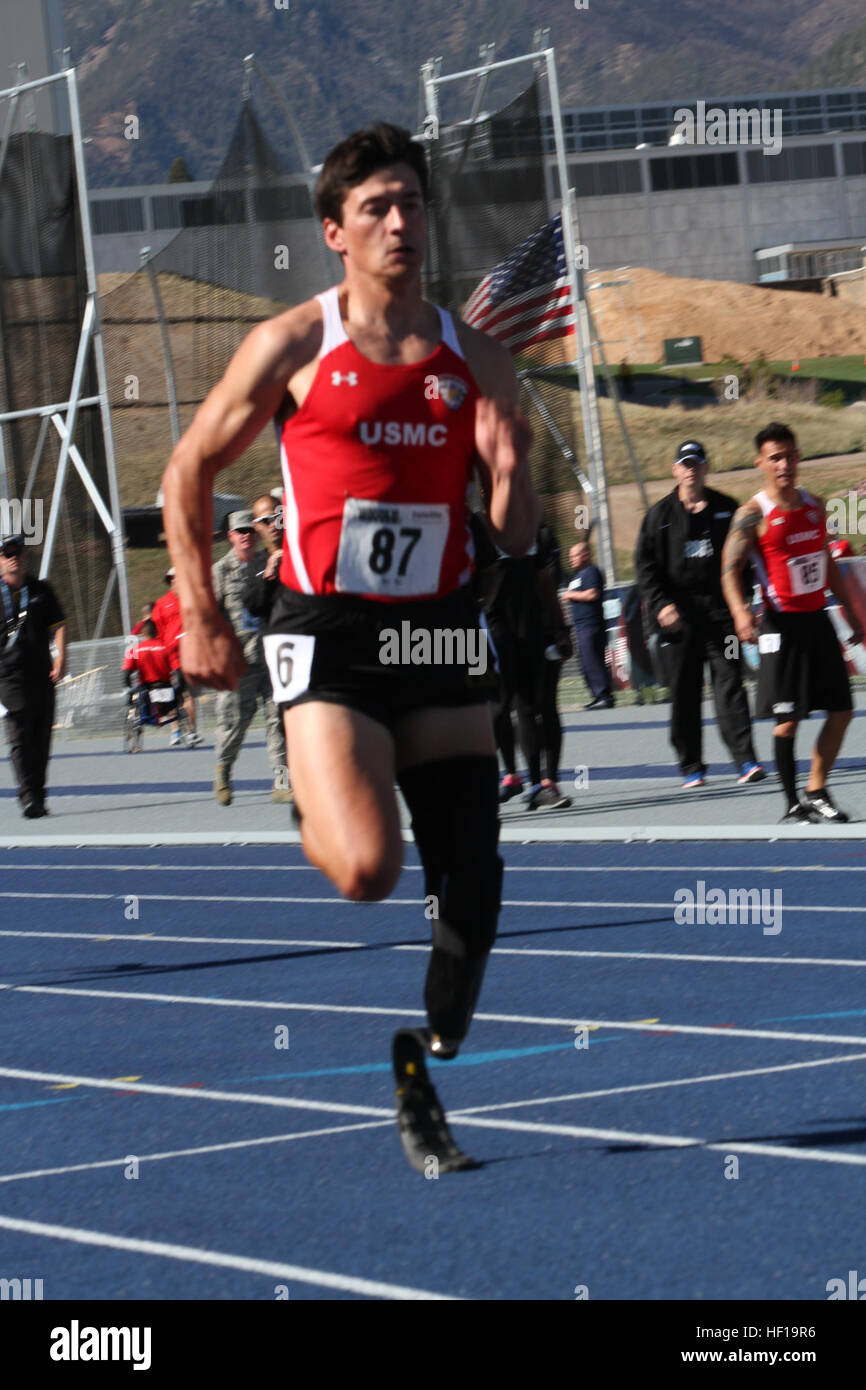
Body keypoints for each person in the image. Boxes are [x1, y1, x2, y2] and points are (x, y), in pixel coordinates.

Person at [161, 122, 540, 1174]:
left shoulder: (479, 361)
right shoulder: (292, 345)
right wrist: (199, 610)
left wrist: (510, 476)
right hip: (325, 632)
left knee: (472, 882)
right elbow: (186, 471)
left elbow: (513, 533)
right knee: (369, 870)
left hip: (438, 627)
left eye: (412, 203)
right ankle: (306, 777)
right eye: (374, 206)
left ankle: (427, 1055)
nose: (398, 223)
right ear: (333, 231)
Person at [721, 422, 863, 823]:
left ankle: (816, 788)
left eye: (790, 455)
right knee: (788, 721)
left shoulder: (815, 505)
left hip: (817, 621)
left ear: (799, 457)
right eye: (775, 458)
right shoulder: (752, 515)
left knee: (842, 711)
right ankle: (791, 803)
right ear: (761, 463)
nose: (785, 464)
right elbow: (728, 571)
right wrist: (739, 612)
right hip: (779, 627)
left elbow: (827, 563)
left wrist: (850, 614)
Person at [635, 439, 764, 788]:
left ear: (706, 468)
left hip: (722, 616)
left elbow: (744, 561)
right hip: (679, 622)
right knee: (684, 692)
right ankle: (691, 766)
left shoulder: (727, 508)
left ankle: (746, 760)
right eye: (685, 464)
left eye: (697, 463)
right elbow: (645, 569)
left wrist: (745, 602)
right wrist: (660, 605)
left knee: (731, 683)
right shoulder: (659, 517)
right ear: (676, 470)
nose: (691, 470)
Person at [478, 519, 573, 808]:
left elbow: (545, 583)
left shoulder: (535, 531)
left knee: (530, 708)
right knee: (495, 711)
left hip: (530, 631)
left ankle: (537, 786)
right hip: (489, 632)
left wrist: (560, 629)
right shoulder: (475, 530)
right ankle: (489, 780)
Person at [211, 510, 290, 805]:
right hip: (239, 662)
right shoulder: (220, 571)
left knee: (278, 723)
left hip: (271, 659)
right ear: (230, 536)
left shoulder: (268, 564)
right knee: (234, 724)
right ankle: (223, 772)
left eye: (251, 530)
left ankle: (281, 783)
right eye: (240, 531)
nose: (246, 535)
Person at [0, 533, 66, 817]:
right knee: (19, 736)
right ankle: (27, 797)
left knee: (40, 739)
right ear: (0, 560)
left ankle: (38, 797)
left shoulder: (41, 589)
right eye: (7, 554)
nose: (13, 558)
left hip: (41, 674)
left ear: (26, 557)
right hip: (8, 677)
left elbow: (60, 624)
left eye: (18, 553)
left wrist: (62, 656)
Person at [151, 567, 203, 746]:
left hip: (188, 655)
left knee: (189, 695)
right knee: (170, 695)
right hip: (169, 656)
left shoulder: (191, 601)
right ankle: (175, 731)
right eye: (177, 578)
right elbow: (157, 631)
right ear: (171, 580)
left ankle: (192, 731)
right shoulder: (162, 603)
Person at [564, 540, 613, 710]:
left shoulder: (591, 572)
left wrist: (571, 595)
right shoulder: (576, 576)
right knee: (586, 662)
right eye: (570, 556)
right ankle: (596, 695)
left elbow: (592, 594)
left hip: (591, 624)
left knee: (593, 660)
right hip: (580, 626)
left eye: (574, 555)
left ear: (585, 555)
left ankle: (604, 695)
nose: (571, 559)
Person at [122, 618, 184, 745]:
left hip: (146, 693)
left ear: (143, 634)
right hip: (166, 691)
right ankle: (180, 732)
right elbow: (178, 672)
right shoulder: (167, 648)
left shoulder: (135, 650)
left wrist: (128, 690)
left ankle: (133, 738)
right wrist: (179, 690)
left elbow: (126, 674)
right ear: (156, 632)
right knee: (175, 700)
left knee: (133, 698)